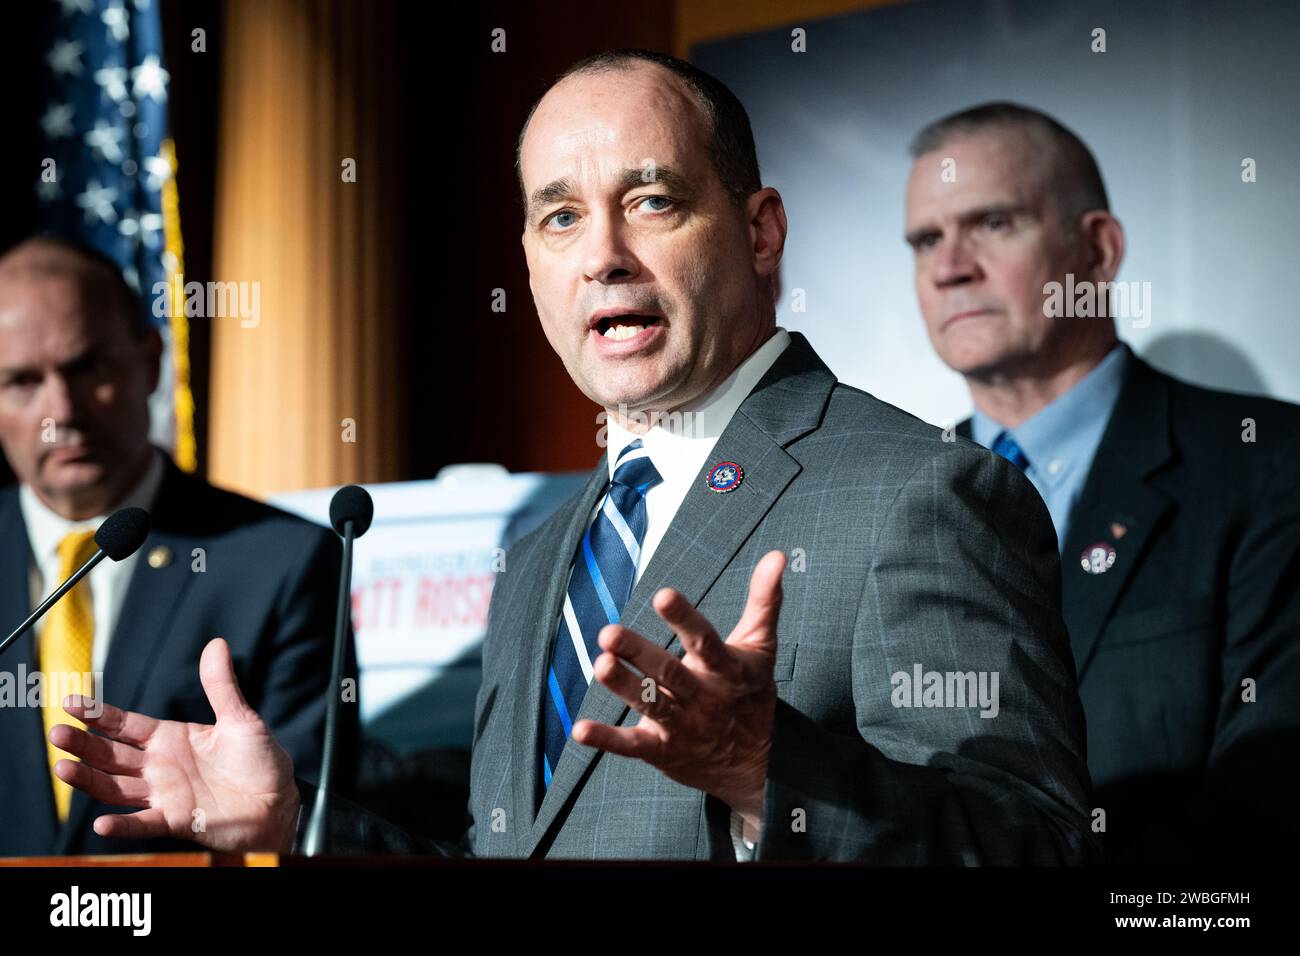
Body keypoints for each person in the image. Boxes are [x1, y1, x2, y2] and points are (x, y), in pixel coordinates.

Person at [54, 52, 1096, 863]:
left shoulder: (919, 491)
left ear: (760, 229)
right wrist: (300, 826)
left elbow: (1035, 845)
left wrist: (766, 767)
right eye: (560, 216)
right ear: (531, 266)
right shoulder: (545, 555)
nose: (601, 253)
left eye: (651, 201)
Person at [904, 102, 1300, 863]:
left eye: (992, 223)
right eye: (927, 239)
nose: (950, 265)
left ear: (1098, 250)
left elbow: (1272, 796)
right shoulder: (891, 489)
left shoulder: (1272, 465)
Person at [0, 236, 359, 857]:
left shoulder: (280, 563)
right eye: (21, 381)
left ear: (150, 360)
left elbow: (311, 821)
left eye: (89, 368)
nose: (63, 410)